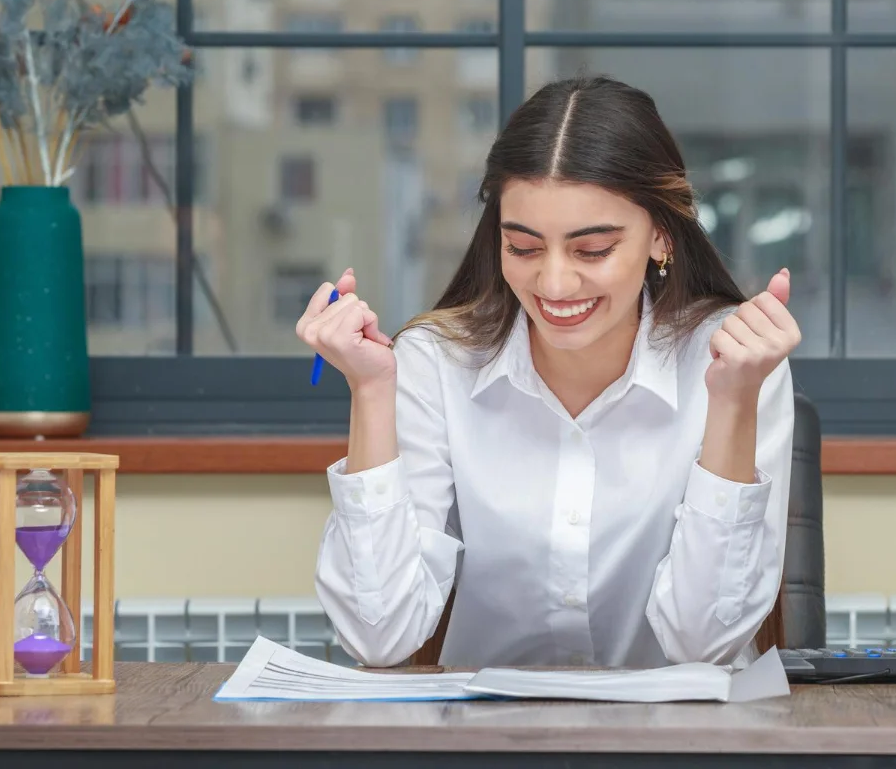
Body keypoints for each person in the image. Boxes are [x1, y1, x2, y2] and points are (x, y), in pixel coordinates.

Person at [298, 75, 801, 669]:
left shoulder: (736, 361)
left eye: (593, 250)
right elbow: (378, 635)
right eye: (524, 248)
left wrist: (735, 402)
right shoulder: (435, 363)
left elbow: (704, 645)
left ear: (662, 236)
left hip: (674, 726)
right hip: (487, 723)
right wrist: (370, 390)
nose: (555, 284)